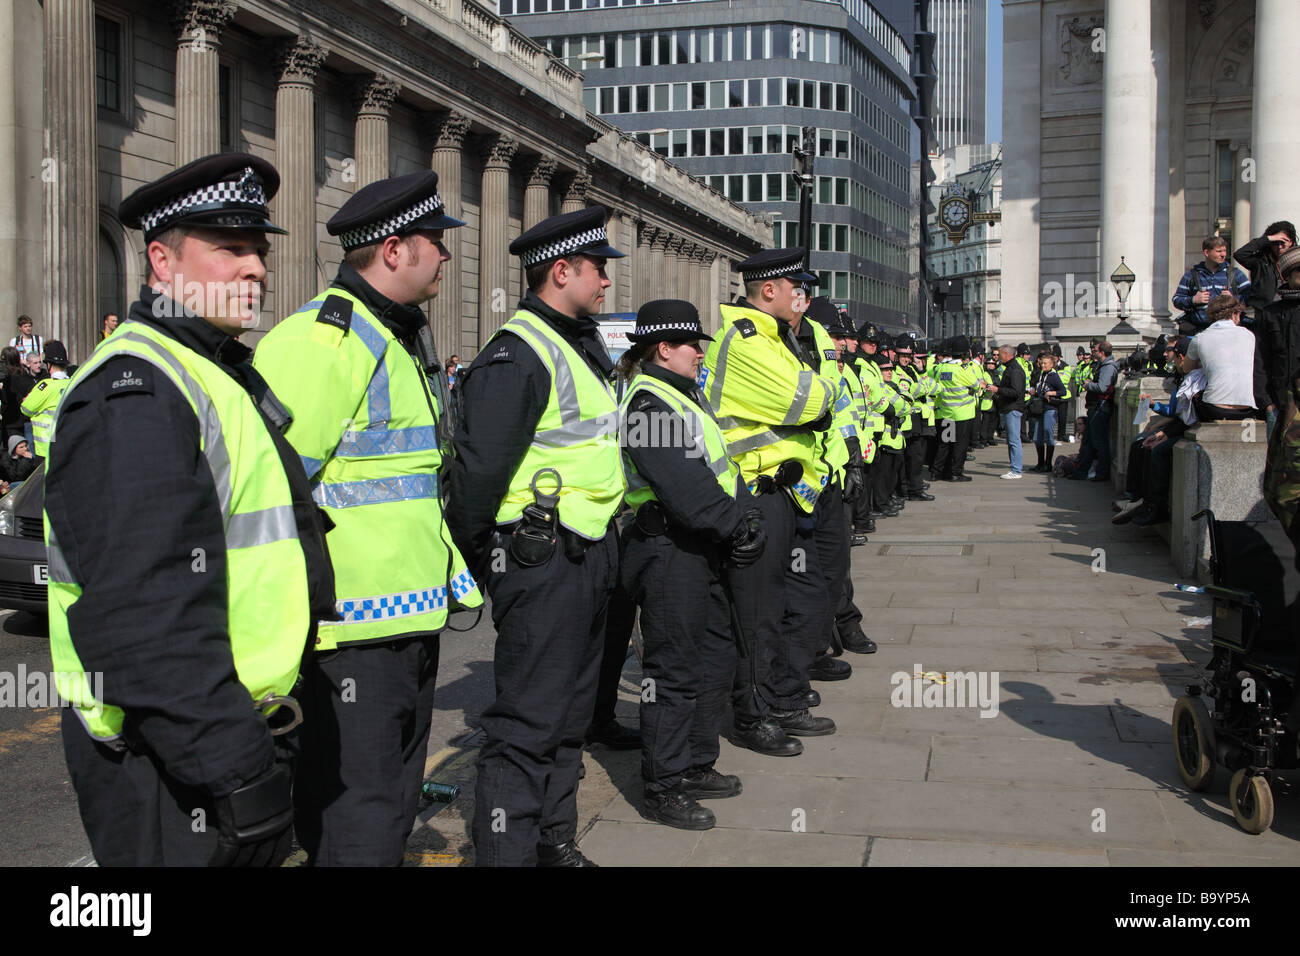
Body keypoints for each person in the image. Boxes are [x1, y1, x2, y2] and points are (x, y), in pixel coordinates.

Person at [43, 152, 335, 866]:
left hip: (226, 738)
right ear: (162, 264)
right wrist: (241, 772)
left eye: (259, 251)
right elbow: (144, 617)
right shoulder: (136, 389)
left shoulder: (211, 369)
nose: (255, 269)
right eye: (230, 248)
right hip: (179, 761)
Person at [253, 170, 482, 867]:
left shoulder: (390, 337)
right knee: (360, 818)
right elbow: (271, 495)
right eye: (433, 243)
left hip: (402, 621)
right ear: (392, 249)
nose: (446, 255)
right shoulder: (321, 342)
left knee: (387, 808)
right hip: (348, 634)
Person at [447, 207, 626, 867]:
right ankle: (508, 854)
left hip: (588, 556)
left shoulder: (578, 342)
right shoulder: (515, 353)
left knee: (567, 719)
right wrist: (488, 566)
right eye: (598, 267)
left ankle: (553, 841)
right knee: (525, 726)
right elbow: (475, 481)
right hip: (544, 561)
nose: (606, 280)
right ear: (562, 270)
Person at [615, 300, 763, 830]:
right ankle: (664, 784)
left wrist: (739, 517)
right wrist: (736, 524)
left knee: (715, 655)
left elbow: (717, 468)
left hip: (702, 546)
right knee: (673, 671)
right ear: (663, 348)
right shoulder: (649, 405)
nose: (701, 352)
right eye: (691, 344)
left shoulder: (682, 395)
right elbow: (685, 487)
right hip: (669, 550)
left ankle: (698, 763)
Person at [697, 248, 837, 758]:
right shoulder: (747, 338)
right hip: (757, 494)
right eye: (794, 287)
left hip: (790, 492)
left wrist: (817, 400)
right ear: (770, 290)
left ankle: (782, 696)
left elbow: (824, 394)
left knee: (800, 601)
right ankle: (753, 714)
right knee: (756, 614)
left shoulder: (778, 338)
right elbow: (813, 400)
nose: (802, 297)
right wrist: (815, 403)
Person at [1115, 336, 1205, 527]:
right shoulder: (1183, 378)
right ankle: (1137, 498)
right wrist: (1155, 407)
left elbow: (1186, 416)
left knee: (1156, 450)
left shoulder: (1195, 378)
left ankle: (1154, 505)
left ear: (1182, 356)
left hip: (1187, 430)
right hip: (1177, 427)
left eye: (1169, 350)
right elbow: (1176, 412)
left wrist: (1165, 433)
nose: (1165, 354)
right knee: (1141, 443)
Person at [1184, 293, 1259, 422]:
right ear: (1235, 314)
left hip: (1215, 407)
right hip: (1246, 407)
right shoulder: (1249, 335)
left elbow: (1186, 368)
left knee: (1191, 385)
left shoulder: (1200, 338)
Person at [1173, 236, 1251, 333]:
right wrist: (1193, 300)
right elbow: (1176, 299)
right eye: (1219, 251)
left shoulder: (1235, 274)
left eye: (1224, 251)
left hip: (1229, 331)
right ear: (1206, 253)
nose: (1223, 255)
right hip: (1200, 330)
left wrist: (1234, 299)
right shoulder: (1192, 275)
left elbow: (1251, 297)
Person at [931, 336, 979, 481]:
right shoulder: (962, 371)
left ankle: (937, 471)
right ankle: (955, 472)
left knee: (945, 444)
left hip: (946, 412)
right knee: (959, 446)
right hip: (962, 415)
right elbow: (976, 385)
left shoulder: (941, 368)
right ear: (965, 354)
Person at [1070, 340, 1119, 481]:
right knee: (1090, 442)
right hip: (1096, 406)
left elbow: (1102, 387)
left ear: (1102, 353)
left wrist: (1088, 384)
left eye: (1095, 350)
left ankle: (1102, 473)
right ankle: (1081, 472)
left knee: (1099, 442)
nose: (1093, 352)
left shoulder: (1108, 367)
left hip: (1100, 407)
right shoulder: (1103, 365)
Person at [20, 340, 72, 458]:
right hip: (68, 446)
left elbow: (25, 408)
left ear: (48, 364)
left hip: (46, 448)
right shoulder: (74, 383)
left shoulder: (46, 386)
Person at [1027, 350, 1065, 473]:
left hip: (1050, 408)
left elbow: (1062, 391)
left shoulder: (1054, 376)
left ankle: (1048, 464)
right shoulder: (1041, 375)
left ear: (1051, 364)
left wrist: (1052, 393)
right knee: (1037, 437)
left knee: (1048, 433)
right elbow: (1040, 389)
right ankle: (1040, 463)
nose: (1043, 365)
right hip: (1040, 408)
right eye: (1042, 363)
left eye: (1046, 363)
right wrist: (1034, 391)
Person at [991, 345, 1027, 478]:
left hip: (1013, 408)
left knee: (1014, 440)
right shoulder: (1010, 368)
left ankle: (1016, 470)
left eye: (1000, 354)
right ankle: (1014, 468)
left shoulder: (1015, 370)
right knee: (1012, 440)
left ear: (1007, 355)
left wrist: (998, 390)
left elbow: (1015, 392)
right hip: (1010, 407)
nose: (998, 357)